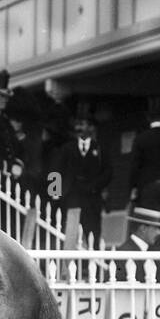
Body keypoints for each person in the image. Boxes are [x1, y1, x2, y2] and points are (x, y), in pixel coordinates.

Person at [47, 105, 112, 248]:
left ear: (91, 127)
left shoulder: (100, 149)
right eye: (77, 124)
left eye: (82, 124)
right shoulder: (66, 148)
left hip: (92, 199)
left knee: (92, 232)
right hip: (71, 197)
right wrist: (55, 194)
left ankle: (91, 266)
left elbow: (108, 173)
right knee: (70, 232)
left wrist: (95, 186)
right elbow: (54, 171)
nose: (78, 128)